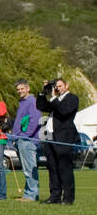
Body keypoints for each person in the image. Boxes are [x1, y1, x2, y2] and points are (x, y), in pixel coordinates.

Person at [37, 77, 78, 205]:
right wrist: (43, 93)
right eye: (56, 86)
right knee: (53, 167)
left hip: (64, 138)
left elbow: (64, 111)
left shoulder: (72, 98)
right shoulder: (55, 100)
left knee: (65, 168)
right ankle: (54, 196)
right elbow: (41, 106)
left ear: (67, 85)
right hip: (50, 138)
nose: (58, 88)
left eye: (60, 86)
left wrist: (53, 97)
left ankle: (68, 198)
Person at [8, 80, 41, 202]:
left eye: (22, 88)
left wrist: (25, 135)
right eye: (18, 89)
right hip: (20, 140)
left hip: (28, 141)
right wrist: (14, 137)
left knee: (29, 168)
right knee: (26, 169)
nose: (20, 91)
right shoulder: (22, 102)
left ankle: (32, 195)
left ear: (28, 88)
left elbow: (35, 119)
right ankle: (28, 194)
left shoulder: (32, 101)